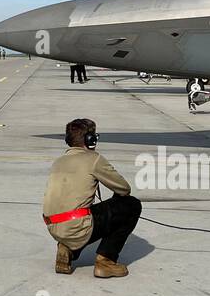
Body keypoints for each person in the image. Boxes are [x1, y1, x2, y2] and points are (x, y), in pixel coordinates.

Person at [42, 118, 142, 278]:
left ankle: (67, 248)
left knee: (84, 213)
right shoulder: (93, 159)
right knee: (131, 205)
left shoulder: (59, 161)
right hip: (77, 226)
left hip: (54, 227)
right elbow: (124, 188)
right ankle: (106, 262)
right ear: (90, 140)